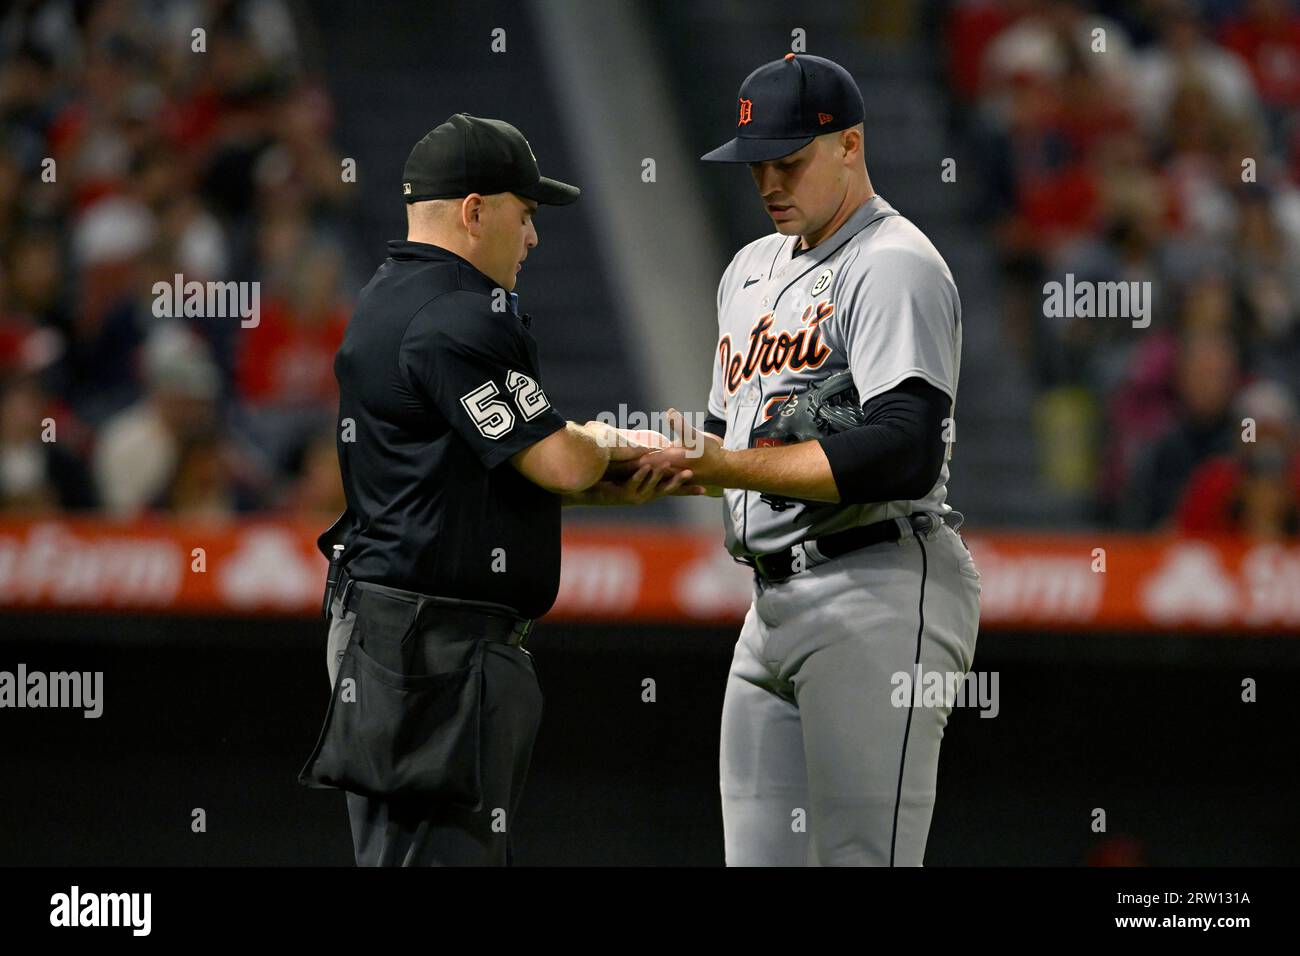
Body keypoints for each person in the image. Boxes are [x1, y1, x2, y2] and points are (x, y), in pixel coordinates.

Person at [298, 114, 699, 866]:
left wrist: (616, 490)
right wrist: (617, 443)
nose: (534, 237)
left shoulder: (392, 293)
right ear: (476, 210)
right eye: (525, 214)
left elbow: (476, 475)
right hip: (430, 651)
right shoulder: (454, 315)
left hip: (407, 637)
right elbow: (556, 461)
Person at [643, 54, 981, 865]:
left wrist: (722, 466)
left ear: (851, 145)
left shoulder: (894, 262)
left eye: (790, 160)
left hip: (878, 588)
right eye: (759, 163)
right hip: (770, 604)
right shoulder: (748, 271)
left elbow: (904, 449)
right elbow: (724, 445)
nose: (769, 180)